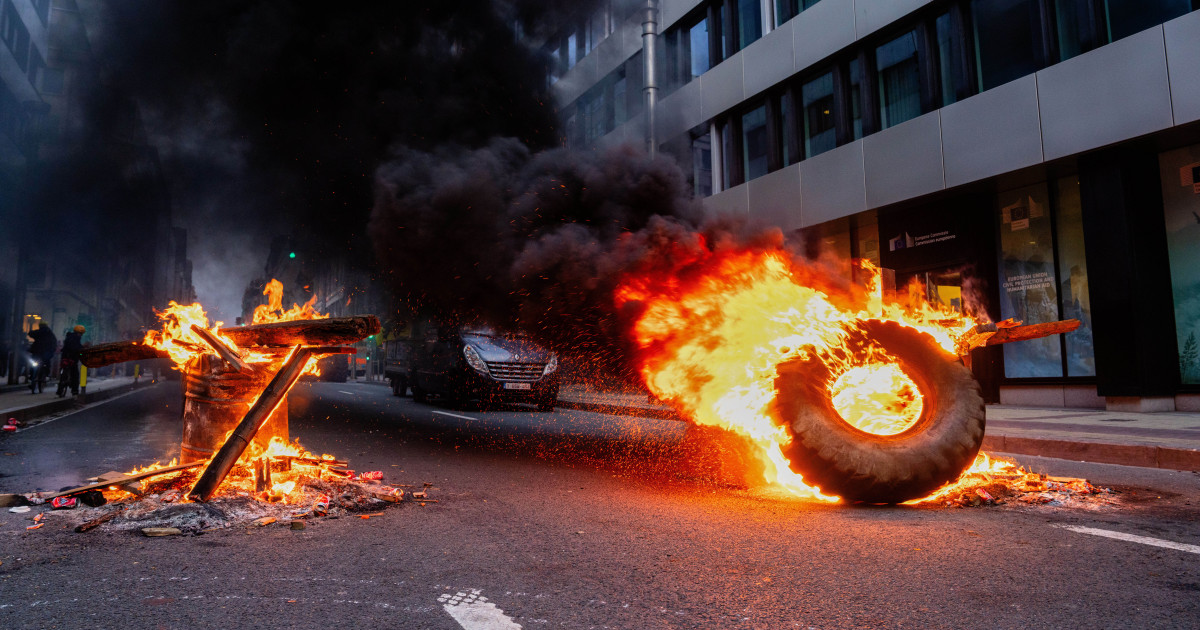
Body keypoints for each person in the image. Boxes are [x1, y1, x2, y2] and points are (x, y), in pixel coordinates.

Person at [27, 322, 57, 394]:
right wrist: (52, 351)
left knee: (33, 365)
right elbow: (54, 343)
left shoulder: (38, 332)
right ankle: (46, 375)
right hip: (45, 353)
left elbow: (30, 334)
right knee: (46, 364)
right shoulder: (50, 334)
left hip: (37, 352)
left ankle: (31, 377)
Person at [58, 325, 85, 397]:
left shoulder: (68, 337)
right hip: (72, 359)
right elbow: (77, 348)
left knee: (62, 372)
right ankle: (75, 390)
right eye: (80, 333)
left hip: (64, 357)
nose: (80, 335)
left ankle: (59, 389)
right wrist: (82, 353)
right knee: (75, 374)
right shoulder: (76, 339)